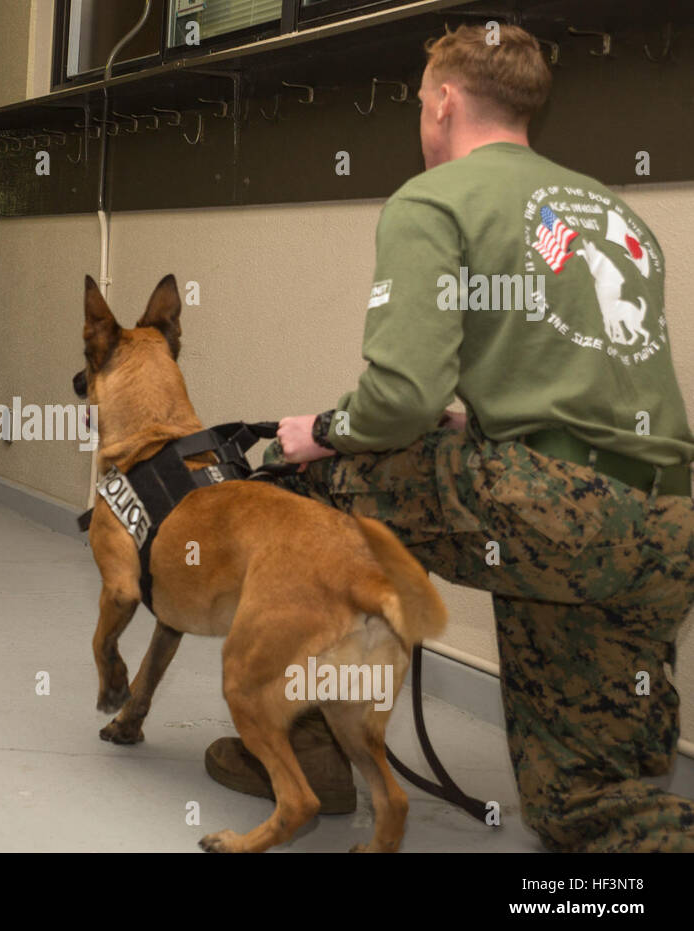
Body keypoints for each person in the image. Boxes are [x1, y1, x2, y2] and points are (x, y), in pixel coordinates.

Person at [205, 23, 694, 851]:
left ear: (443, 101)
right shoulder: (618, 213)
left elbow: (399, 398)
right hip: (664, 525)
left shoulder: (432, 198)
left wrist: (317, 432)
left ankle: (313, 756)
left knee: (296, 491)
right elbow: (591, 385)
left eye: (420, 102)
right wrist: (477, 417)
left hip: (552, 511)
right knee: (585, 802)